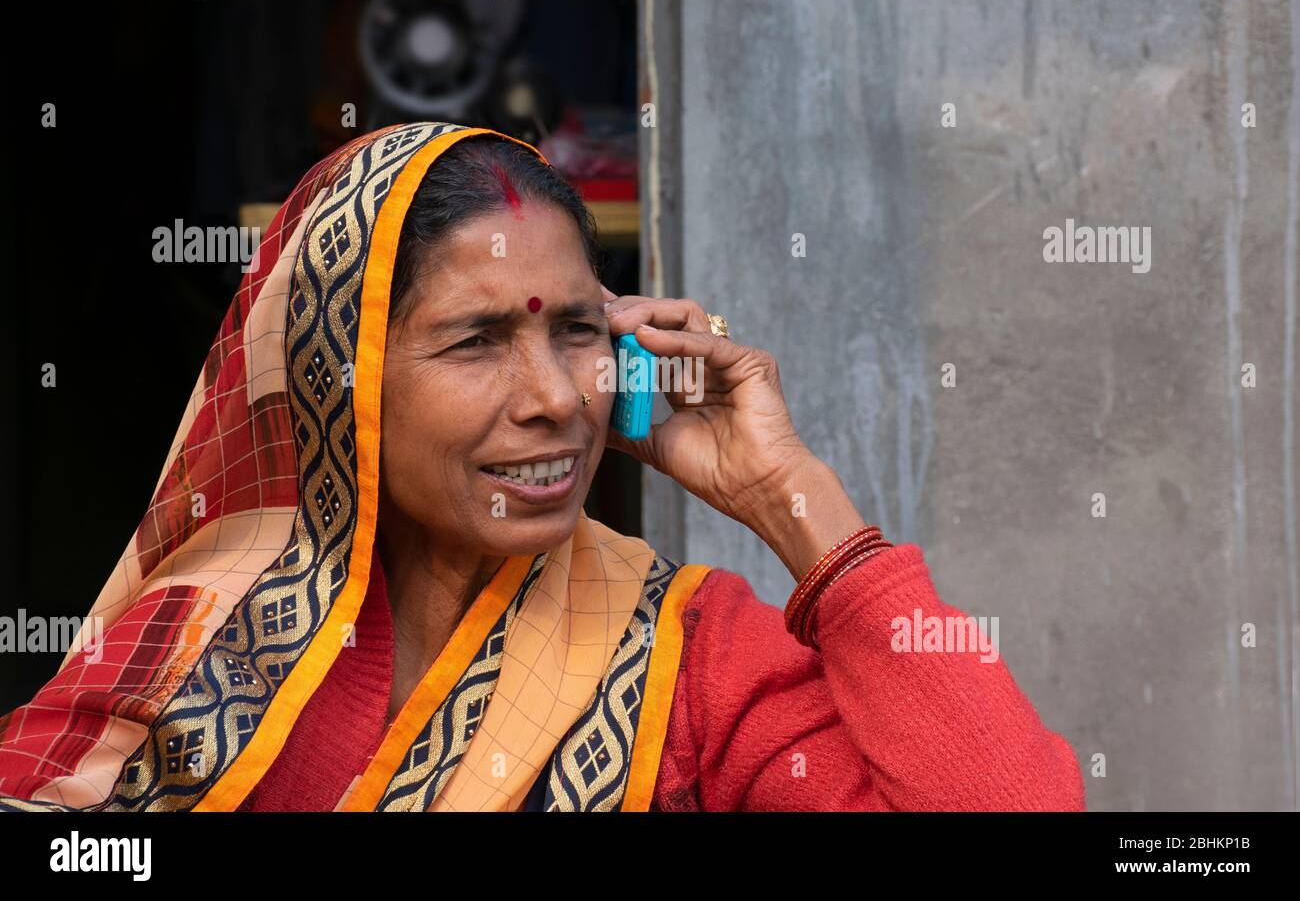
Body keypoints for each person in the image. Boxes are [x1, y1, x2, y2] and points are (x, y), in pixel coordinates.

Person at [0, 123, 1086, 812]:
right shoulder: (194, 635)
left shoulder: (686, 655)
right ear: (340, 379)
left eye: (576, 329)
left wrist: (794, 504)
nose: (558, 396)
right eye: (475, 340)